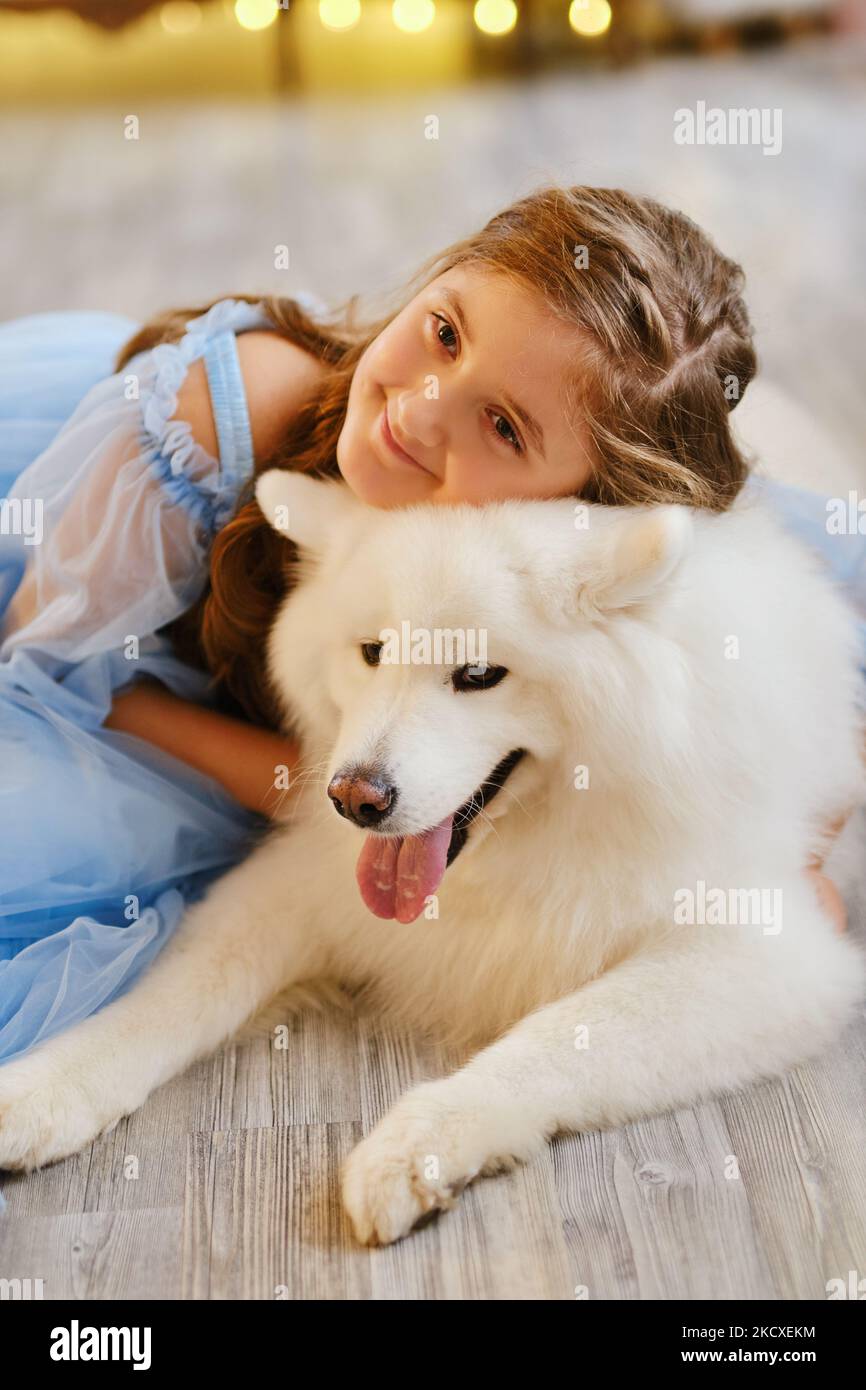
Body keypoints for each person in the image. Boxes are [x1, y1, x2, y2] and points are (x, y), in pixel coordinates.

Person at [0, 185, 861, 1065]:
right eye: (446, 332)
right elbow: (45, 679)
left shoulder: (536, 558)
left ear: (573, 504)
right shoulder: (229, 412)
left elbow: (819, 645)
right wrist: (316, 787)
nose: (417, 409)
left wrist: (791, 849)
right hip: (65, 646)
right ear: (439, 273)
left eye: (501, 426)